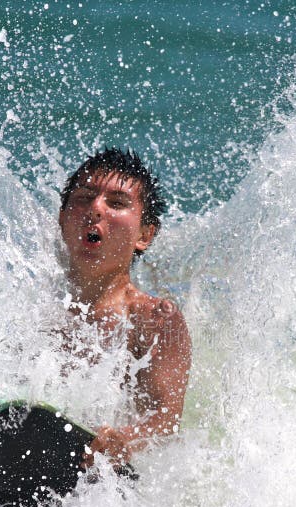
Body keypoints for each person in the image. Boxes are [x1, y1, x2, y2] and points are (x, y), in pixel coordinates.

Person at [57, 147, 191, 466]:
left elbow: (166, 420)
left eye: (116, 203)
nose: (96, 209)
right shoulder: (23, 303)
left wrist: (124, 440)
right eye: (84, 197)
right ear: (62, 220)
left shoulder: (154, 319)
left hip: (102, 482)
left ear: (144, 235)